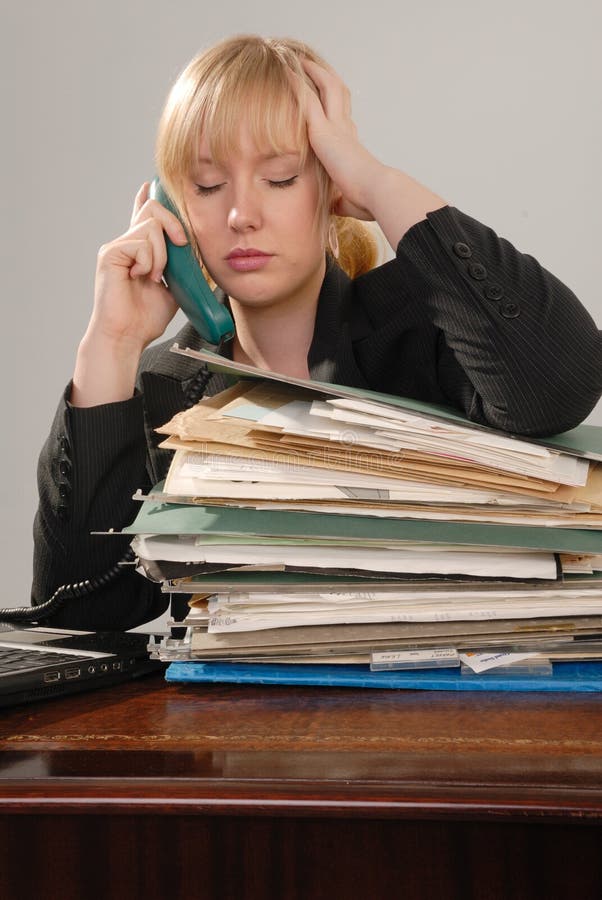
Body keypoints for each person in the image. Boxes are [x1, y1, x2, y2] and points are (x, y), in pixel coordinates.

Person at [31, 35, 602, 631]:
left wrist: (377, 182)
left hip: (435, 709)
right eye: (206, 185)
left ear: (328, 185)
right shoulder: (162, 383)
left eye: (280, 177)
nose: (240, 214)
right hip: (233, 717)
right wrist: (111, 346)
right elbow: (82, 618)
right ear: (171, 206)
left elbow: (555, 387)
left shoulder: (424, 327)